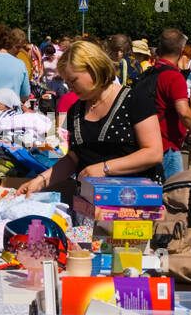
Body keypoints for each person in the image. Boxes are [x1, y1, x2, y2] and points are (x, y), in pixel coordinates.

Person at [19, 39, 163, 198]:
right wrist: (40, 180)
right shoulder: (76, 109)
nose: (70, 87)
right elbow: (73, 159)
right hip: (90, 203)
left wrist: (105, 168)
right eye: (67, 82)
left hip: (134, 202)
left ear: (93, 69)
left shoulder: (135, 99)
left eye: (73, 80)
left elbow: (153, 152)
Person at [146, 28, 191, 178]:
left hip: (149, 143)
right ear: (182, 50)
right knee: (173, 193)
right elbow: (184, 112)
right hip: (168, 145)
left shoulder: (150, 71)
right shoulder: (174, 77)